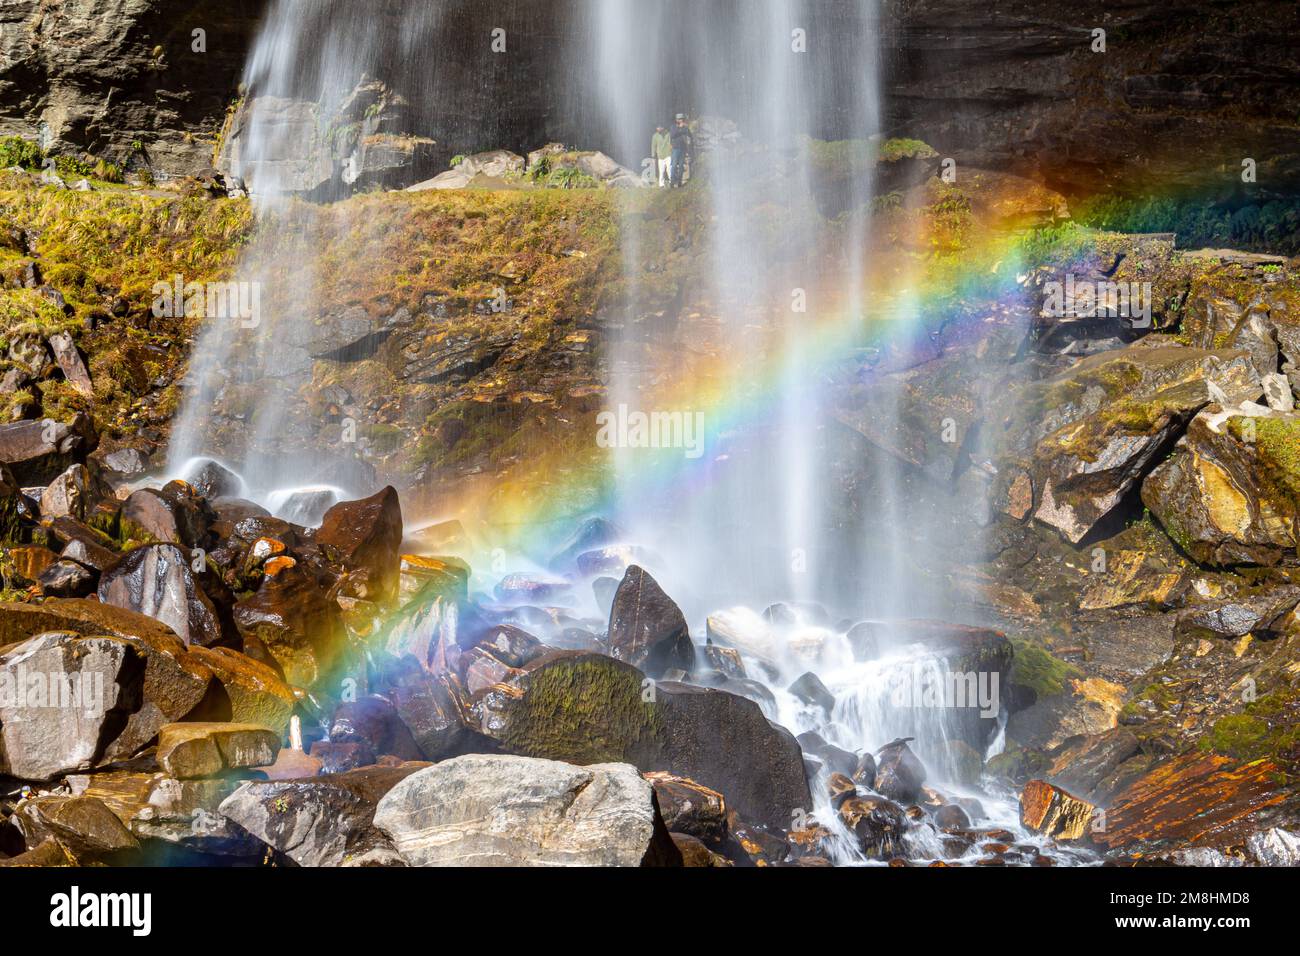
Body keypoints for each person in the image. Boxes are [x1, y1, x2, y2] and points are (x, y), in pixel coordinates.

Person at [669, 113, 693, 187]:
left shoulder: (685, 127)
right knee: (674, 165)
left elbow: (689, 135)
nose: (680, 120)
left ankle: (679, 181)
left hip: (683, 149)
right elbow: (672, 135)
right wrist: (680, 129)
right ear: (676, 120)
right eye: (679, 119)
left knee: (681, 166)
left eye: (681, 119)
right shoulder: (673, 127)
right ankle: (672, 182)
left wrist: (685, 128)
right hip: (675, 149)